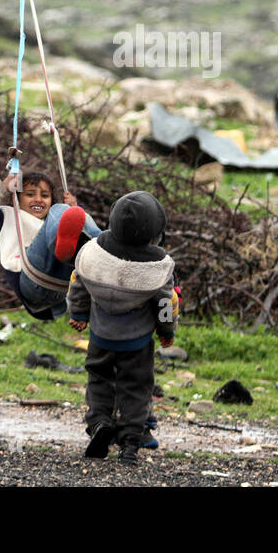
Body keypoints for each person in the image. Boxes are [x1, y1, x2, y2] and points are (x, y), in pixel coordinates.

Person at [67, 191, 177, 466]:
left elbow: (78, 281)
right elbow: (165, 302)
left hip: (101, 337)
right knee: (136, 389)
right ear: (154, 233)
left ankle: (100, 423)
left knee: (100, 381)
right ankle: (130, 442)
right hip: (137, 343)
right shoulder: (157, 265)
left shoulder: (95, 252)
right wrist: (166, 331)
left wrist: (79, 312)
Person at [0, 168, 98, 320]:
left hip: (59, 289)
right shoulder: (5, 217)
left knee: (73, 215)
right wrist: (3, 187)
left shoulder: (50, 221)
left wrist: (75, 211)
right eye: (30, 194)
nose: (39, 199)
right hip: (31, 280)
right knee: (62, 210)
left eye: (45, 195)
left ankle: (100, 252)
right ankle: (102, 250)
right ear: (16, 197)